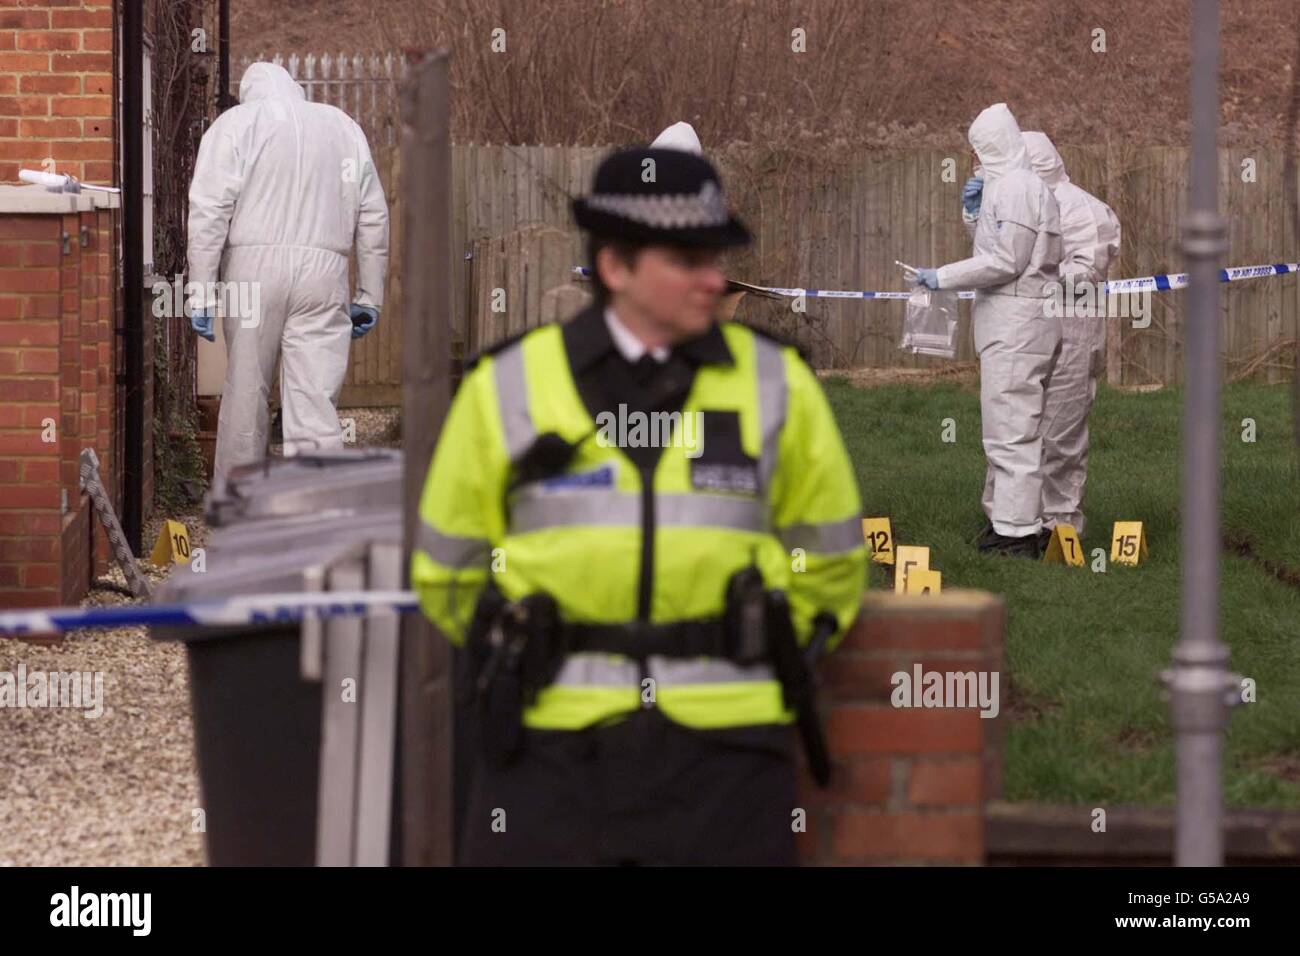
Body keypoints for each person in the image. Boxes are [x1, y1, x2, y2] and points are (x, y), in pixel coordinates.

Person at [411, 144, 867, 865]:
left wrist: (760, 646)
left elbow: (834, 562)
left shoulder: (776, 385)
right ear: (617, 268)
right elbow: (447, 564)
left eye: (716, 257)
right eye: (687, 260)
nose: (714, 278)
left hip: (729, 755)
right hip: (549, 745)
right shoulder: (508, 385)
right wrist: (524, 647)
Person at [187, 62, 389, 488]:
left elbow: (209, 210)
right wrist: (370, 292)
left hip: (252, 271)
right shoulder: (342, 127)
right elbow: (372, 215)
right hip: (324, 270)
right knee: (314, 400)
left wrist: (200, 291)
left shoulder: (237, 124)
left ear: (249, 93)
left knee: (246, 390)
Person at [911, 103, 1063, 558]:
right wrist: (974, 213)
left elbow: (1006, 261)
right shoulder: (1016, 184)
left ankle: (1017, 535)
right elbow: (995, 242)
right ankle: (1007, 520)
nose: (972, 158)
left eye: (976, 150)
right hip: (1017, 322)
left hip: (1017, 323)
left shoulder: (1017, 187)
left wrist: (944, 275)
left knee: (1012, 426)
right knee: (1007, 424)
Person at [1021, 131, 1122, 542]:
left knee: (1061, 425)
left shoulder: (1083, 209)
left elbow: (1086, 269)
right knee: (1017, 425)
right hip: (1026, 327)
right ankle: (1012, 522)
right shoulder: (1020, 204)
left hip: (1074, 326)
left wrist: (1036, 278)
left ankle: (1058, 525)